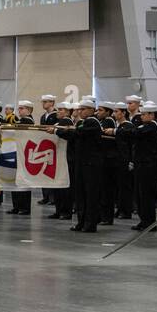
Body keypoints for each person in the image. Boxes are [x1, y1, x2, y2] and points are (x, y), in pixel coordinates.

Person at [55, 99, 103, 232]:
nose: (80, 111)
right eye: (79, 109)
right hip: (82, 163)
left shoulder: (93, 122)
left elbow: (78, 133)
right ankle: (81, 221)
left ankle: (90, 223)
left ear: (92, 110)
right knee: (81, 194)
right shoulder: (83, 123)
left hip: (91, 164)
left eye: (83, 109)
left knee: (90, 195)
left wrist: (57, 131)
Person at [131, 102, 157, 230]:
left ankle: (149, 222)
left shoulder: (152, 125)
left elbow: (135, 132)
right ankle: (144, 220)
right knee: (140, 194)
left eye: (144, 114)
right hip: (142, 164)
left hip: (149, 166)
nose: (141, 117)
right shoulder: (146, 125)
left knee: (146, 195)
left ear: (152, 114)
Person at [8, 101, 35, 215]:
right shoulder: (20, 120)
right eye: (19, 109)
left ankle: (24, 207)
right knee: (16, 180)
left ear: (29, 110)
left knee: (23, 181)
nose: (19, 111)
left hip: (23, 152)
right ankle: (17, 206)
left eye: (22, 108)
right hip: (17, 151)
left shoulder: (28, 120)